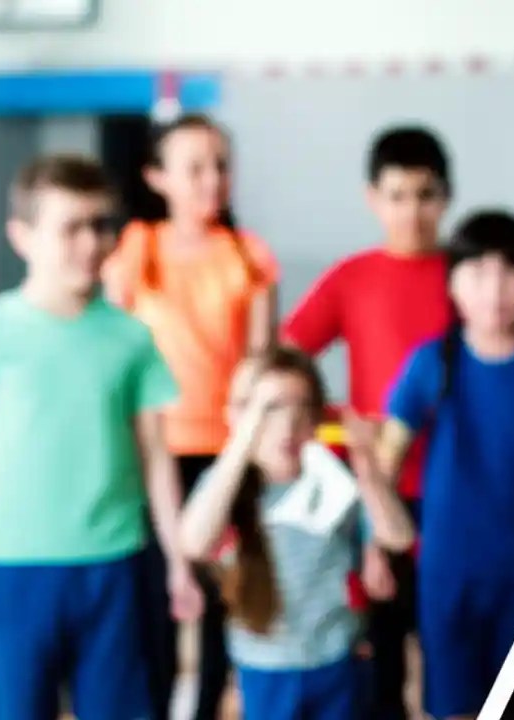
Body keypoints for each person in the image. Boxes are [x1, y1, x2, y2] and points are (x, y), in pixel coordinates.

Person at [0, 154, 201, 719]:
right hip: (15, 563)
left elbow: (155, 459)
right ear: (22, 237)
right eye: (70, 227)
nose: (90, 243)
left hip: (114, 564)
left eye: (101, 225)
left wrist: (178, 559)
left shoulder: (130, 339)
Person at [102, 113, 279, 720]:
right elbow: (111, 352)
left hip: (227, 456)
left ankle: (205, 707)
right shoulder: (136, 249)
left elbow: (260, 361)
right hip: (151, 454)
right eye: (195, 167)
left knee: (219, 599)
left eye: (221, 165)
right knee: (154, 596)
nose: (212, 179)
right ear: (158, 177)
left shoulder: (248, 254)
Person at [378, 210, 514, 720]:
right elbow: (385, 460)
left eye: (510, 271)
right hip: (448, 573)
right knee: (453, 705)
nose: (494, 289)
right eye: (477, 272)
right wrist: (373, 545)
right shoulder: (431, 364)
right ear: (453, 284)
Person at [282, 126, 453, 719]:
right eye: (398, 195)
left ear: (446, 199)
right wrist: (337, 424)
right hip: (375, 492)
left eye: (426, 194)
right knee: (379, 652)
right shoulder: (352, 277)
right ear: (373, 199)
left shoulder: (469, 277)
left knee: (448, 653)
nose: (412, 210)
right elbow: (287, 360)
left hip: (453, 494)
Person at [179, 347, 415, 720]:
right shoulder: (226, 485)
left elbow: (399, 537)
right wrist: (245, 436)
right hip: (264, 665)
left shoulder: (334, 480)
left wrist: (368, 467)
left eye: (301, 408)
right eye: (272, 409)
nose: (288, 427)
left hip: (336, 659)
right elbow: (193, 541)